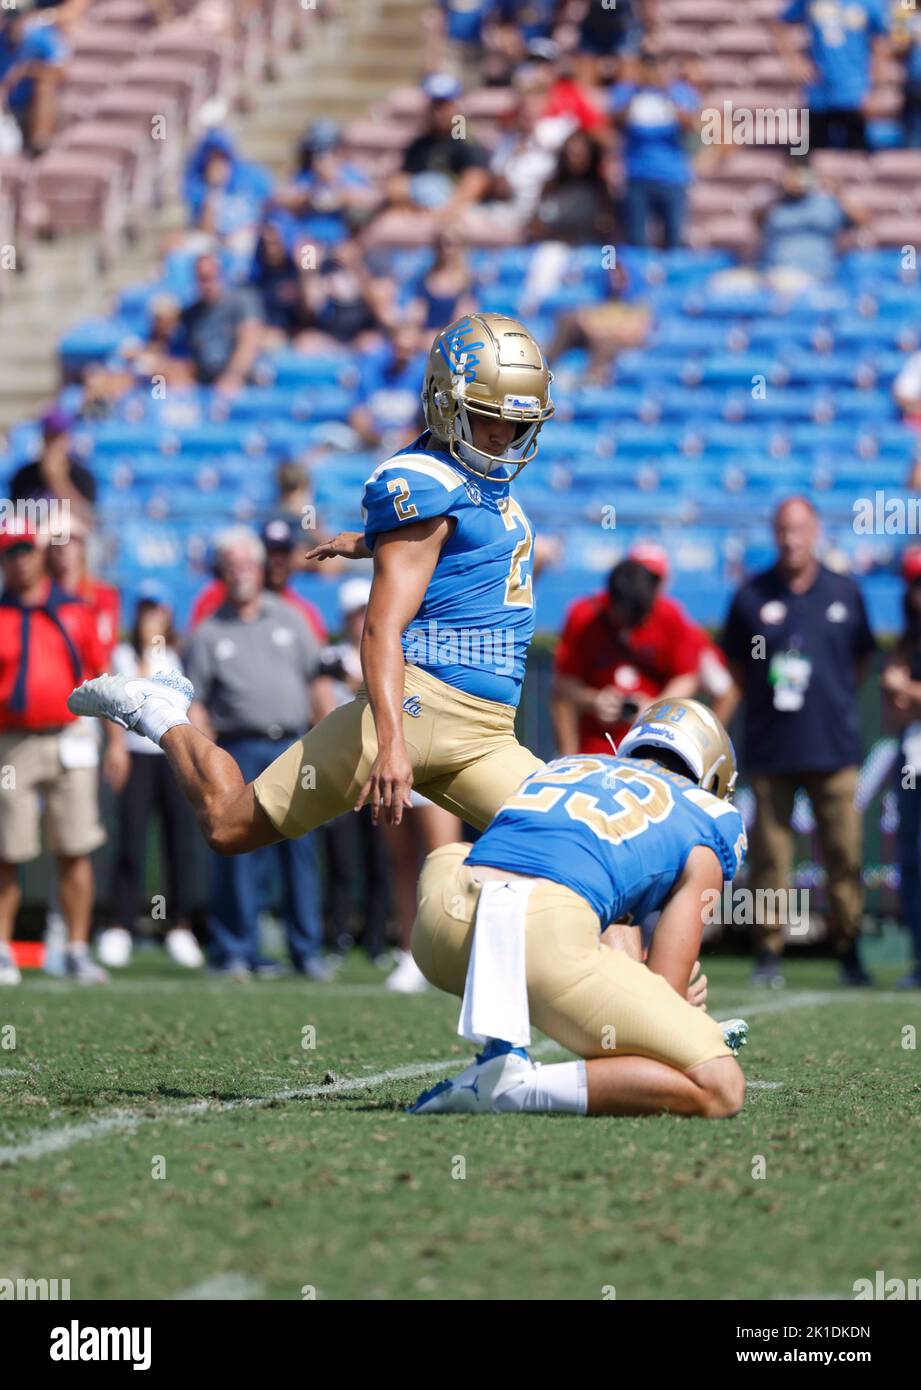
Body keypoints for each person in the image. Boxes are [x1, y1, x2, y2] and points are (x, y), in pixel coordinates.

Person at [69, 313, 553, 876]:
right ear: (447, 404)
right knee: (228, 824)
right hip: (421, 710)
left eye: (516, 422)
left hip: (488, 731)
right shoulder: (426, 484)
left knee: (574, 846)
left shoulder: (480, 489)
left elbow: (453, 549)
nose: (502, 434)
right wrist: (392, 741)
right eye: (489, 416)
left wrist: (368, 542)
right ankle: (157, 712)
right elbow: (381, 628)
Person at [408, 698, 749, 1118]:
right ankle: (513, 1088)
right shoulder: (710, 818)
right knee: (721, 1087)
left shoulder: (566, 767)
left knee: (467, 858)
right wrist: (674, 1007)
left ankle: (504, 1047)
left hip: (440, 925)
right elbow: (665, 989)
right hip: (540, 940)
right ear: (713, 778)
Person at [722, 497, 877, 989]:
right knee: (771, 858)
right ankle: (769, 950)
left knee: (844, 854)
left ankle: (849, 949)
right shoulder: (751, 595)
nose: (791, 540)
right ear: (774, 534)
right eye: (783, 530)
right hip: (772, 747)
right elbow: (735, 666)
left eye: (799, 530)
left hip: (833, 747)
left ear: (815, 532)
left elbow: (860, 662)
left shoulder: (845, 592)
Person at [182, 527, 332, 979]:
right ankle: (235, 950)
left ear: (261, 569)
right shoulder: (208, 632)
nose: (240, 574)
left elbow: (318, 684)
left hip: (294, 746)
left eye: (247, 565)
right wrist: (206, 757)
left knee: (299, 850)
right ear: (220, 573)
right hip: (238, 747)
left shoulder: (292, 618)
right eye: (231, 567)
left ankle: (307, 950)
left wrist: (330, 743)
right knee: (238, 850)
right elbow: (196, 702)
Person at [0, 524, 114, 986]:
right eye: (12, 553)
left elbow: (102, 677)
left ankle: (76, 948)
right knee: (7, 848)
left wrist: (116, 742)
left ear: (40, 555)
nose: (21, 561)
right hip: (12, 741)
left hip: (72, 736)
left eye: (27, 551)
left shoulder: (73, 609)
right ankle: (2, 949)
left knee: (75, 846)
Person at [98, 583, 202, 972]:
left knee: (180, 843)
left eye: (157, 611)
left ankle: (180, 927)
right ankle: (120, 926)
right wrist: (115, 748)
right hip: (136, 757)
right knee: (131, 841)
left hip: (172, 759)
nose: (150, 618)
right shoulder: (124, 654)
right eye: (145, 611)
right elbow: (125, 698)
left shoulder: (178, 655)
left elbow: (190, 707)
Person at [551, 558, 704, 757]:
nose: (631, 628)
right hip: (594, 752)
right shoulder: (583, 617)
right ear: (611, 601)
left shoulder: (669, 614)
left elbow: (687, 677)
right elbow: (562, 688)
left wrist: (653, 708)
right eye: (626, 617)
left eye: (640, 618)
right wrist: (595, 700)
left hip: (655, 749)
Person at [608, 43, 699, 250]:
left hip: (672, 177)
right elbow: (616, 120)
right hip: (637, 176)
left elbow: (689, 125)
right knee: (636, 240)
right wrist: (637, 90)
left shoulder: (681, 92)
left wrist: (665, 91)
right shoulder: (626, 92)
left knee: (673, 241)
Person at [881, 547, 921, 989]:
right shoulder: (906, 642)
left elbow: (899, 693)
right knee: (911, 862)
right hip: (912, 762)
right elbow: (891, 712)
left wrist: (906, 690)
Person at [189, 516, 326, 643]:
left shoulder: (302, 612)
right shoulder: (214, 598)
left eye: (284, 554)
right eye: (271, 554)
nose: (277, 563)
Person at [775, 0, 890, 151]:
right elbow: (780, 25)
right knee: (817, 153)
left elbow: (881, 45)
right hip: (819, 92)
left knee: (854, 155)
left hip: (855, 93)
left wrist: (875, 90)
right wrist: (795, 62)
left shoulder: (871, 3)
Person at [176, 253, 263, 391]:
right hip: (205, 383)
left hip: (241, 382)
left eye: (210, 277)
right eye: (201, 279)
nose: (206, 285)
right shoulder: (191, 313)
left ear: (220, 274)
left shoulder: (242, 300)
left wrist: (232, 376)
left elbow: (249, 343)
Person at [9, 407, 96, 525]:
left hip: (67, 534)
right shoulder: (24, 475)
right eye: (50, 436)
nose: (53, 444)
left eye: (58, 437)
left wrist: (58, 480)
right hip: (35, 533)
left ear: (68, 438)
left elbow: (87, 522)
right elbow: (15, 519)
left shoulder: (82, 476)